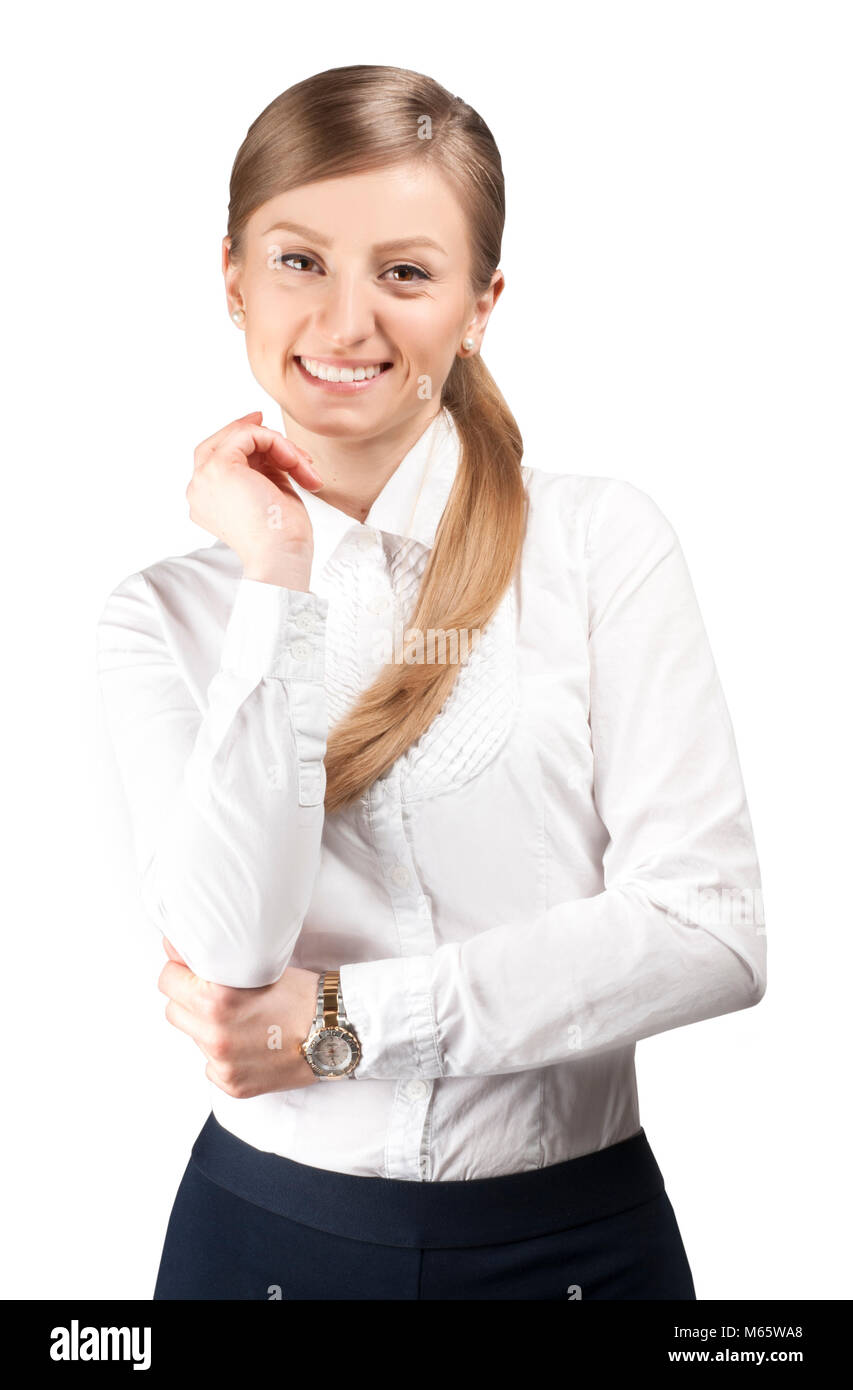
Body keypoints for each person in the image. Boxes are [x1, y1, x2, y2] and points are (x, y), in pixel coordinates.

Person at [95, 64, 767, 1302]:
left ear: (478, 304)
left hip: (579, 1244)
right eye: (299, 261)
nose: (348, 324)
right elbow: (235, 950)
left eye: (405, 273)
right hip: (260, 1243)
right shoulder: (170, 615)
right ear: (232, 278)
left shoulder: (597, 545)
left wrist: (343, 1023)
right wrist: (278, 573)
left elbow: (707, 933)